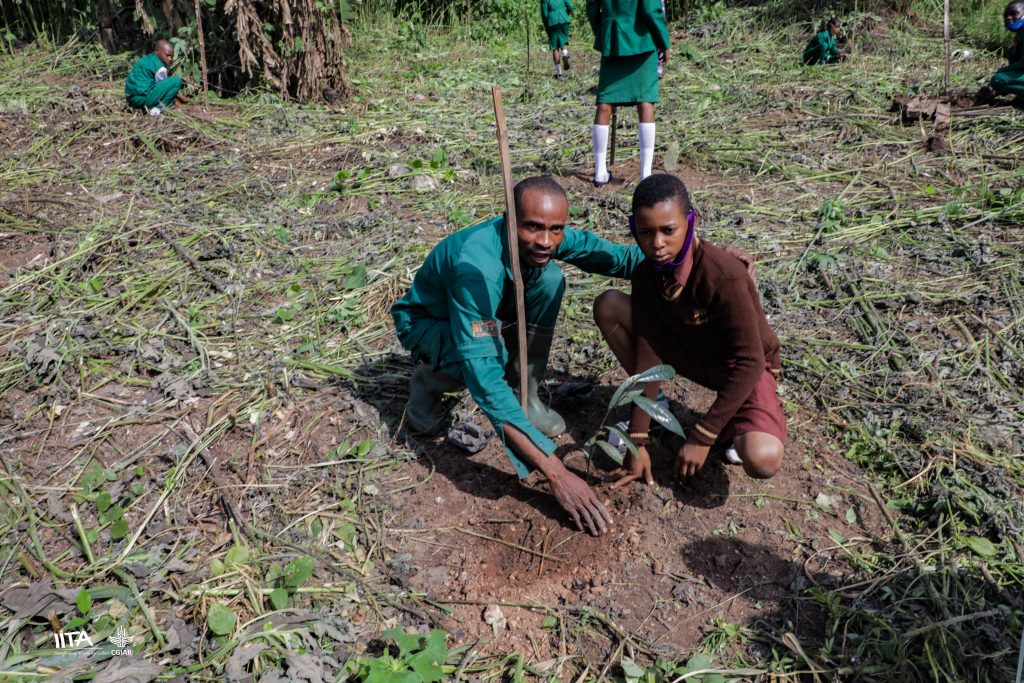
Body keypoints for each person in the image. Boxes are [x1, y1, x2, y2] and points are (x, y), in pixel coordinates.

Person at [392, 176, 645, 536]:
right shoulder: (475, 267)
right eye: (533, 227)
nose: (545, 240)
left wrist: (696, 256)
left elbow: (616, 257)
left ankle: (527, 393)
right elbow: (485, 381)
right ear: (510, 218)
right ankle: (428, 383)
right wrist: (556, 473)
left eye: (556, 229)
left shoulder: (546, 238)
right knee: (483, 359)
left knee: (549, 279)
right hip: (431, 323)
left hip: (489, 312)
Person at [593, 174, 785, 489]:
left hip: (742, 367)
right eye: (646, 233)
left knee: (762, 459)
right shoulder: (646, 277)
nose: (657, 244)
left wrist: (703, 436)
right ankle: (659, 408)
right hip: (694, 350)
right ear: (633, 230)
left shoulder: (724, 275)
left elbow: (750, 360)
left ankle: (740, 424)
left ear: (691, 222)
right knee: (609, 305)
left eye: (669, 231)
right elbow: (649, 352)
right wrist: (637, 440)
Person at [587, 0, 670, 185]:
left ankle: (600, 173)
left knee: (605, 102)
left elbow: (592, 6)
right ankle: (646, 174)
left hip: (613, 37)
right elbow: (650, 9)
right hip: (643, 39)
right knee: (645, 101)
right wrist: (664, 41)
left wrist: (604, 31)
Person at [125, 40, 187, 116]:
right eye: (167, 55)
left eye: (171, 56)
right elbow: (164, 91)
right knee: (177, 81)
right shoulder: (160, 68)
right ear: (157, 51)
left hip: (130, 98)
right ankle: (156, 110)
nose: (170, 59)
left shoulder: (147, 58)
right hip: (141, 99)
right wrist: (178, 96)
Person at [990, 1, 1024, 98]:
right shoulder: (1019, 35)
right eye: (1006, 15)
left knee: (998, 79)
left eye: (1014, 13)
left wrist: (1002, 70)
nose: (1008, 17)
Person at [542, 0, 574, 80]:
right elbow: (570, 6)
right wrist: (566, 14)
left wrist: (547, 26)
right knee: (564, 41)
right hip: (564, 19)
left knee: (555, 47)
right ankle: (565, 54)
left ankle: (559, 74)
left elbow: (545, 14)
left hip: (552, 22)